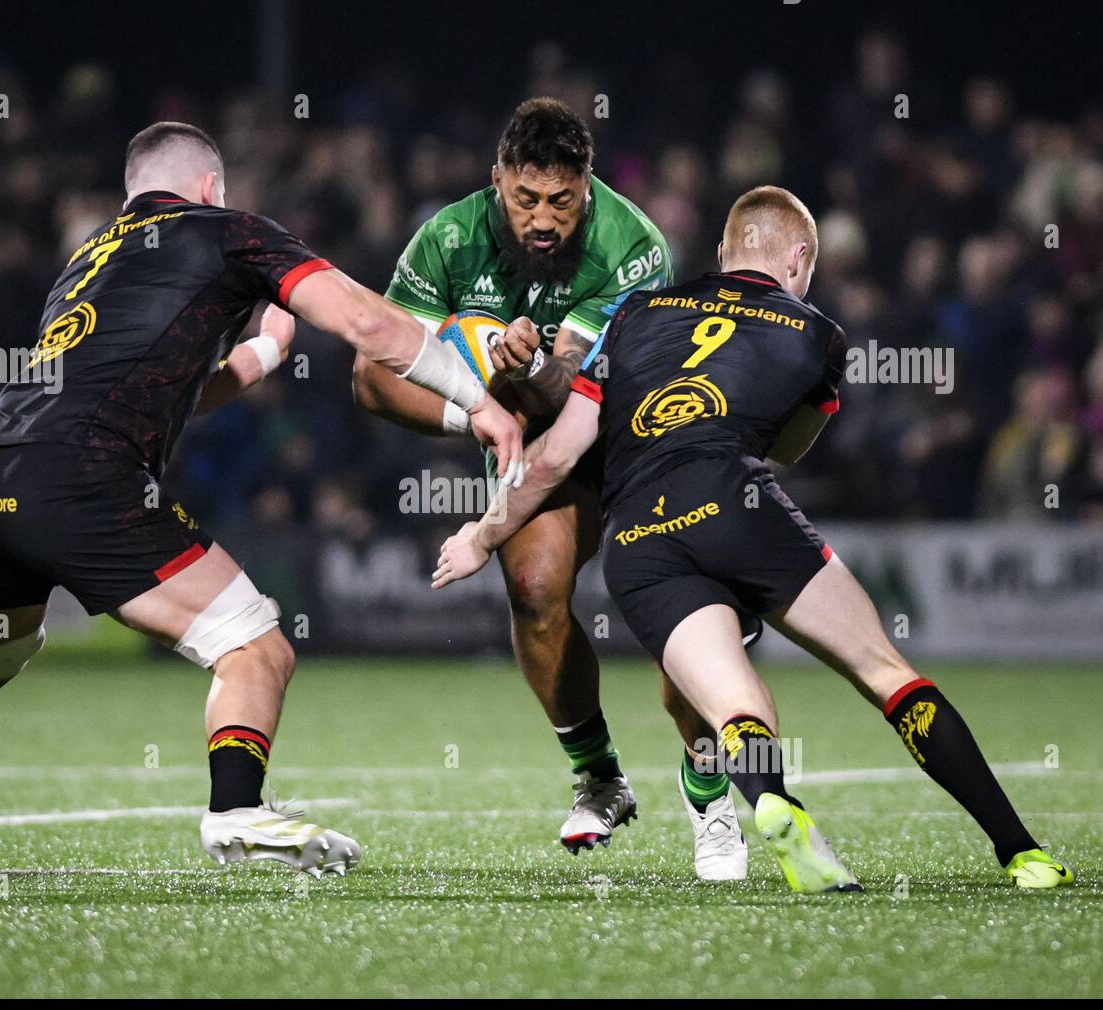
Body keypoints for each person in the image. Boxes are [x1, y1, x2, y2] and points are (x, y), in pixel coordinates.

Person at [0, 121, 524, 886]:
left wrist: (259, 357)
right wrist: (471, 403)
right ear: (209, 188)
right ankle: (236, 809)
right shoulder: (230, 232)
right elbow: (364, 321)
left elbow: (154, 392)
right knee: (257, 645)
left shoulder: (87, 260)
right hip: (81, 480)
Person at [432, 185, 1075, 892]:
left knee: (737, 709)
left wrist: (481, 535)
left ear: (721, 253)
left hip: (640, 538)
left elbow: (554, 457)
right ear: (799, 257)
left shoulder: (636, 314)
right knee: (887, 674)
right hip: (736, 506)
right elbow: (786, 448)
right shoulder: (817, 332)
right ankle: (1020, 852)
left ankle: (772, 801)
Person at [356, 98, 747, 868]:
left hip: (635, 441)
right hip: (533, 447)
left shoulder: (630, 245)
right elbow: (370, 377)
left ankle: (710, 796)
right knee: (534, 588)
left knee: (675, 614)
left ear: (588, 187)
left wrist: (530, 368)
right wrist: (472, 413)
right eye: (525, 199)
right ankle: (599, 776)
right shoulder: (448, 237)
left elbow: (575, 395)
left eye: (562, 202)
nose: (543, 219)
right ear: (496, 180)